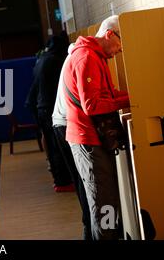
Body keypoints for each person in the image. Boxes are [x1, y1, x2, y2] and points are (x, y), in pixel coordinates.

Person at [62, 15, 130, 240]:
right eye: (121, 43)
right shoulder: (87, 57)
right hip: (87, 140)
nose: (121, 50)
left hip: (91, 138)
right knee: (104, 203)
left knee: (107, 199)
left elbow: (106, 95)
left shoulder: (96, 56)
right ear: (110, 34)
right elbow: (91, 105)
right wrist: (129, 101)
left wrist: (134, 94)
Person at [52, 42, 92, 240]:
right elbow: (90, 103)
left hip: (60, 121)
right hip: (66, 123)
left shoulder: (73, 57)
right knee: (83, 179)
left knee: (81, 179)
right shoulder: (82, 59)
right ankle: (89, 228)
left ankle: (89, 227)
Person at [25, 33, 74, 192]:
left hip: (41, 107)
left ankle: (59, 180)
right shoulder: (55, 60)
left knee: (52, 146)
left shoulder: (42, 59)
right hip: (50, 107)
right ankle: (63, 181)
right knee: (58, 146)